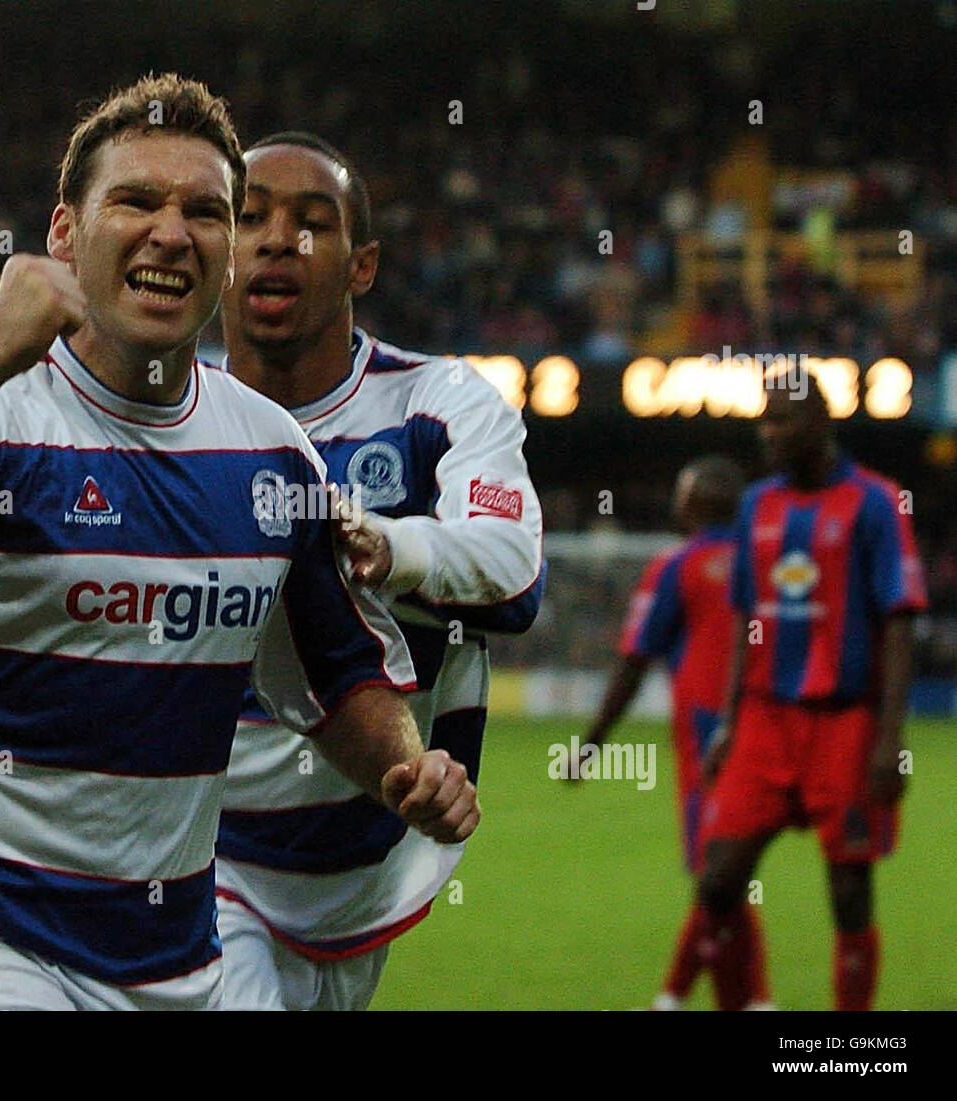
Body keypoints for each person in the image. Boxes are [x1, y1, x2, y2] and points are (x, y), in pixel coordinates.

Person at [0, 76, 479, 1011]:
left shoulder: (272, 457)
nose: (172, 232)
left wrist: (404, 766)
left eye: (206, 212)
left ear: (225, 257)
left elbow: (337, 677)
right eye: (136, 200)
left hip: (175, 956)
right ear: (64, 234)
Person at [215, 133, 544, 1010]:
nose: (277, 239)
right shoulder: (170, 420)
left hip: (368, 858)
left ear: (362, 267)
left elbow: (513, 574)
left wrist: (395, 547)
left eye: (311, 221)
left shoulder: (437, 402)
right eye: (248, 219)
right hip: (197, 854)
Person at [697, 374, 927, 1011]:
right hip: (765, 720)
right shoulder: (757, 505)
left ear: (822, 422)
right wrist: (727, 722)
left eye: (783, 420)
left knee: (850, 891)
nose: (767, 432)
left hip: (844, 723)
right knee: (718, 883)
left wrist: (890, 739)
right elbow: (748, 619)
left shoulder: (877, 502)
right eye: (763, 419)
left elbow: (901, 619)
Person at [573, 455, 771, 1010]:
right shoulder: (767, 559)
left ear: (695, 504)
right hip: (767, 732)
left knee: (716, 877)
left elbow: (635, 660)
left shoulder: (677, 565)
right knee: (727, 876)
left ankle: (680, 998)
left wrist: (590, 743)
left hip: (709, 734)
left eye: (682, 494)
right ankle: (749, 999)